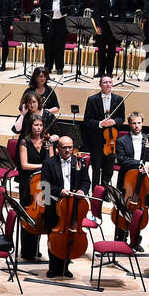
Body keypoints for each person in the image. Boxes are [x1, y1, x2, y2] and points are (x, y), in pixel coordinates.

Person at [41, 136, 90, 279]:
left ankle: (65, 267)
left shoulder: (79, 162)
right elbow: (45, 185)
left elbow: (86, 182)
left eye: (70, 147)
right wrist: (59, 191)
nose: (68, 150)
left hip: (73, 206)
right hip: (55, 204)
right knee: (54, 236)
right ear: (58, 148)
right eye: (64, 147)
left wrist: (82, 191)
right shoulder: (49, 163)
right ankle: (53, 268)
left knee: (70, 235)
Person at [114, 111, 149, 250]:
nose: (137, 126)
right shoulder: (121, 141)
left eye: (139, 123)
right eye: (134, 123)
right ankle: (120, 239)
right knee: (123, 209)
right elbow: (122, 160)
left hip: (142, 183)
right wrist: (141, 163)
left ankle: (135, 241)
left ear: (142, 123)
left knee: (139, 211)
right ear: (129, 124)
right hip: (127, 182)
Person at [17, 112, 50, 262]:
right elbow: (24, 165)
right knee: (28, 213)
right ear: (30, 126)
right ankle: (27, 251)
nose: (38, 127)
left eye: (40, 125)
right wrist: (43, 166)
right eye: (36, 125)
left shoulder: (47, 142)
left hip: (45, 183)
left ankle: (37, 248)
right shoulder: (24, 142)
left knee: (43, 214)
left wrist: (46, 168)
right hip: (28, 182)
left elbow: (51, 161)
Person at [81, 76, 126, 186]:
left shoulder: (119, 99)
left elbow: (122, 118)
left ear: (112, 84)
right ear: (100, 85)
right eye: (104, 82)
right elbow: (87, 120)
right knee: (96, 168)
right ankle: (96, 192)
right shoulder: (92, 99)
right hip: (96, 139)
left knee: (109, 168)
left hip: (111, 140)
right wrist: (100, 123)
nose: (107, 84)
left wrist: (114, 122)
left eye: (109, 82)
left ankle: (106, 192)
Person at [91, 0, 126, 77]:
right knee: (101, 49)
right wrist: (97, 26)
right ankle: (101, 71)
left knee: (112, 49)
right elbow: (96, 11)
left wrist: (121, 26)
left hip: (115, 24)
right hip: (102, 24)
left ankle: (109, 72)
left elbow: (122, 10)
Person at [40, 0, 71, 75]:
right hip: (49, 22)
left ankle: (59, 67)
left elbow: (72, 6)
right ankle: (48, 68)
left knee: (60, 46)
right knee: (48, 46)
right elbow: (42, 8)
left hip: (62, 22)